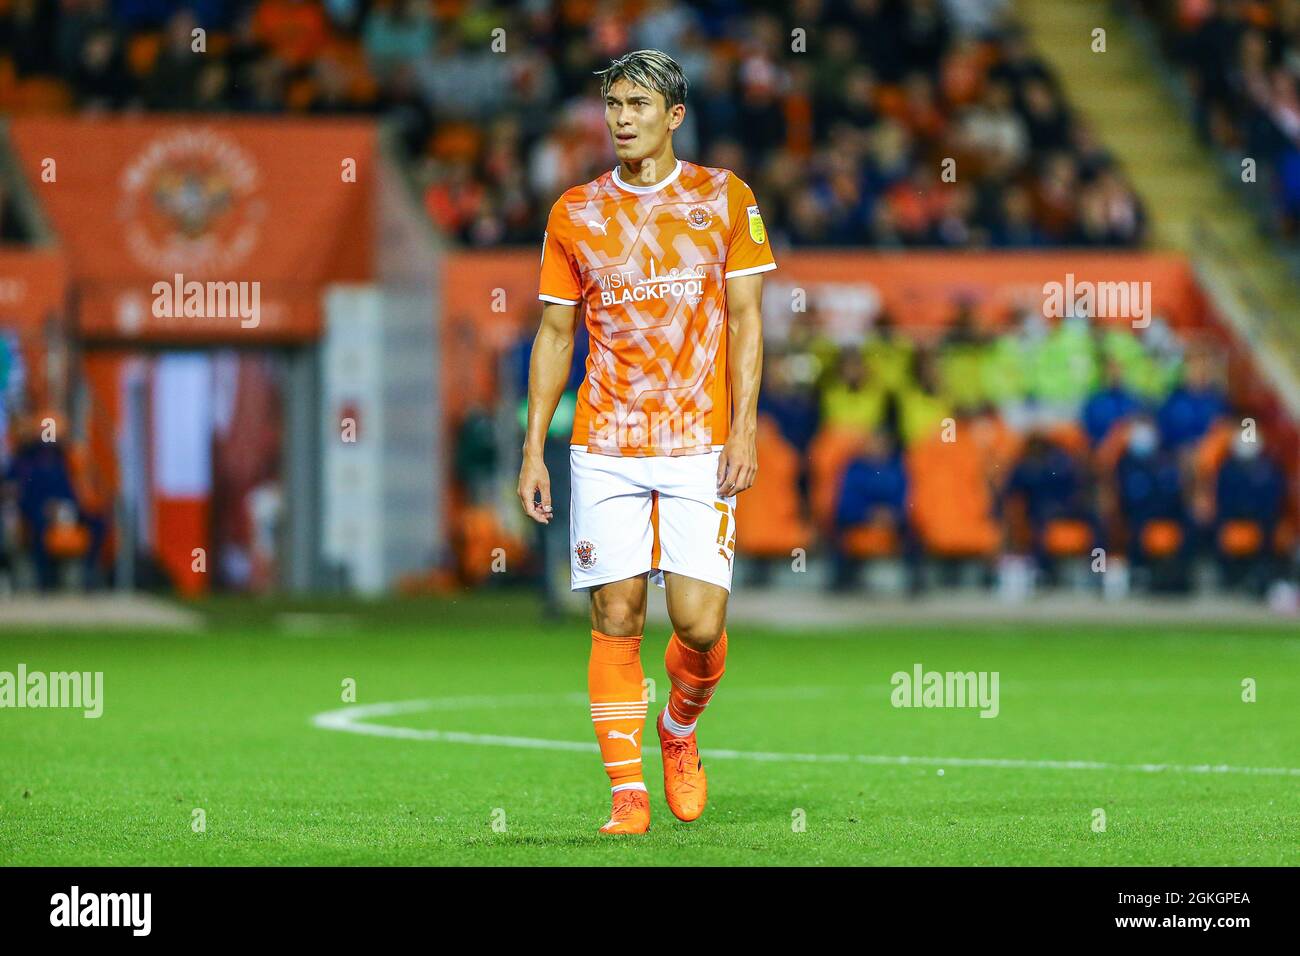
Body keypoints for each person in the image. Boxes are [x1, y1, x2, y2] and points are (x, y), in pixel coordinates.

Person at [516, 50, 774, 835]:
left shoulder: (724, 197)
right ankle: (627, 797)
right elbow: (556, 333)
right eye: (613, 104)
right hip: (606, 443)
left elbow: (746, 321)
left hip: (699, 442)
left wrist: (743, 427)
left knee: (698, 624)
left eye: (637, 104)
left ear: (674, 116)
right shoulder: (574, 213)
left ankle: (680, 733)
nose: (621, 117)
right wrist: (533, 448)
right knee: (616, 613)